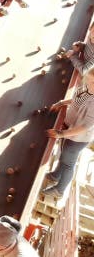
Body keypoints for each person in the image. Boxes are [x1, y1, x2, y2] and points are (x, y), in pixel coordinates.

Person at [42, 67, 94, 198]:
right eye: (88, 80)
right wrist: (62, 102)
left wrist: (61, 134)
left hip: (78, 138)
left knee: (68, 163)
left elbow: (85, 126)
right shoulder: (87, 88)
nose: (89, 84)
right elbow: (77, 100)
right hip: (69, 129)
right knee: (63, 154)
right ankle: (55, 175)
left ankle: (59, 190)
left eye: (92, 82)